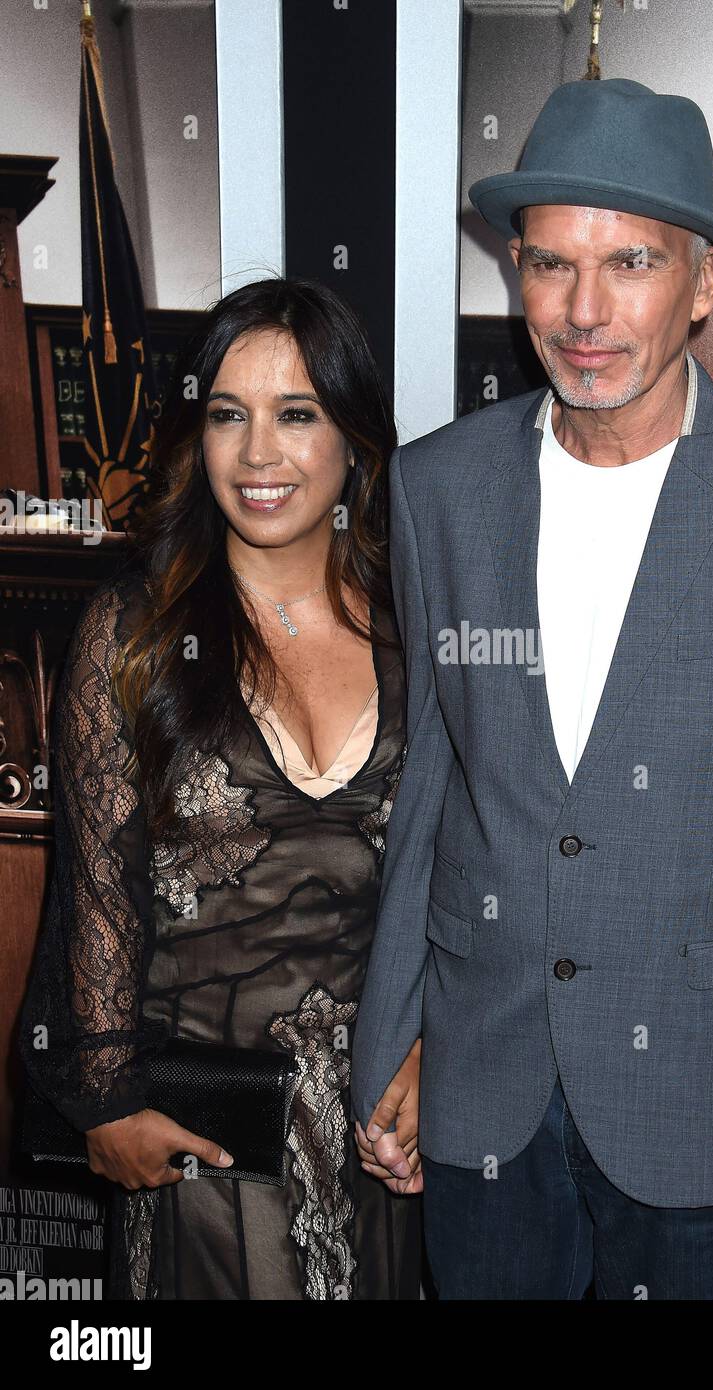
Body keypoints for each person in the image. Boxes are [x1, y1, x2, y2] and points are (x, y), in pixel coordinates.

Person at [352, 79, 713, 1299]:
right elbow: (433, 790)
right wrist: (388, 1035)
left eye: (632, 262)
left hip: (705, 1094)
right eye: (549, 265)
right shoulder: (438, 489)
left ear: (705, 283)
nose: (584, 312)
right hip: (482, 1083)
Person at [19, 277, 421, 1300]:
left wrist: (438, 1048)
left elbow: (469, 880)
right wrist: (105, 1101)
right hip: (201, 1154)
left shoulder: (423, 632)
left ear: (355, 437)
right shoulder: (137, 632)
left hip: (387, 1153)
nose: (257, 455)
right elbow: (95, 891)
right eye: (227, 415)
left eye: (297, 415)